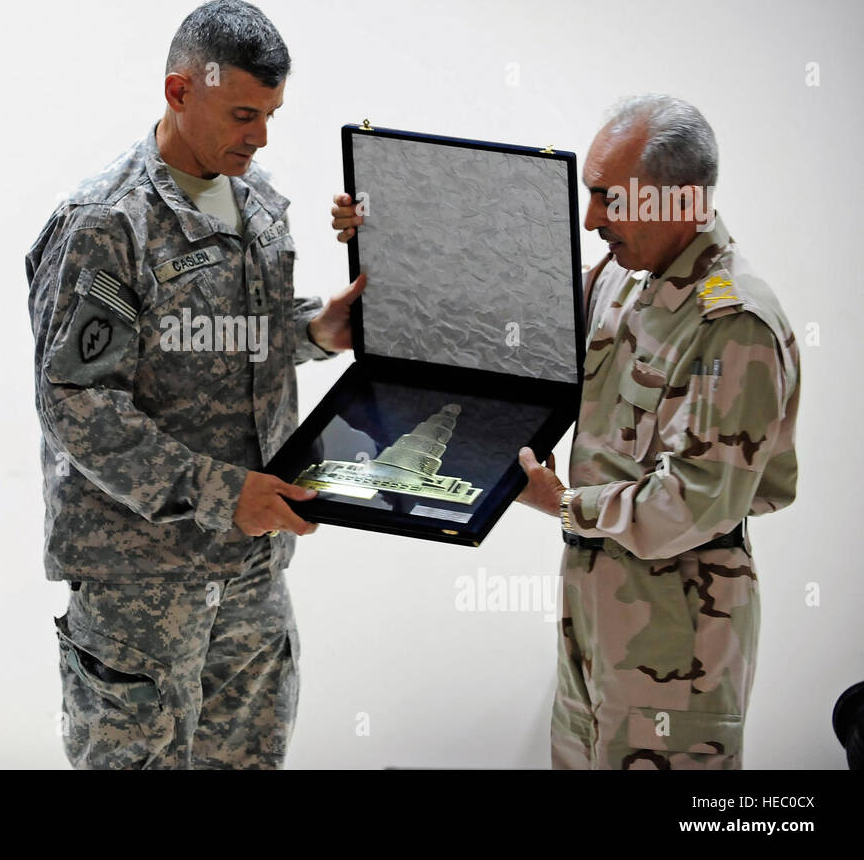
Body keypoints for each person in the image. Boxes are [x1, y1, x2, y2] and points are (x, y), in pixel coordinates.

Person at [336, 95, 799, 768]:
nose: (590, 220)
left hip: (679, 639)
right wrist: (385, 234)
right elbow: (506, 321)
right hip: (590, 618)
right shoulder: (620, 279)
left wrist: (563, 503)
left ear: (674, 200)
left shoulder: (733, 324)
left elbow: (697, 502)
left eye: (608, 198)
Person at [27, 0, 364, 769]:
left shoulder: (260, 206)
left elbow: (239, 338)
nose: (261, 135)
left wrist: (317, 330)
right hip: (143, 587)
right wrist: (220, 492)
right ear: (180, 91)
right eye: (244, 112)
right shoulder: (107, 221)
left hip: (253, 575)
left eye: (272, 113)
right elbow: (76, 402)